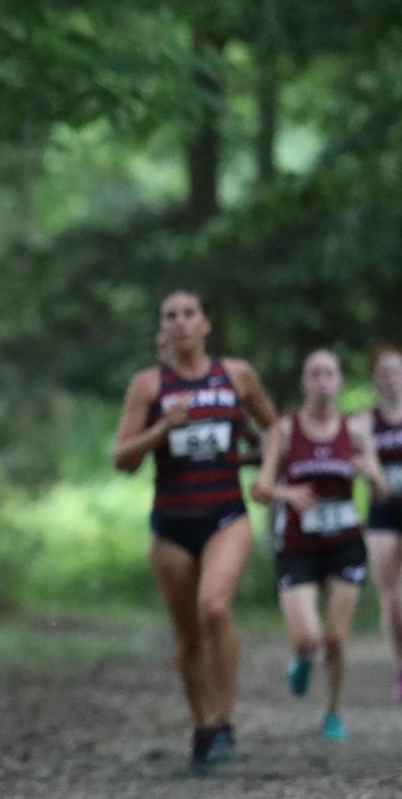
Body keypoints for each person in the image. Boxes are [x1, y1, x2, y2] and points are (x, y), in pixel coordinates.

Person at [113, 290, 279, 774]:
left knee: (215, 607)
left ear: (205, 323)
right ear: (162, 329)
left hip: (226, 513)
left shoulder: (237, 375)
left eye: (189, 314)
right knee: (188, 636)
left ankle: (224, 721)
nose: (181, 323)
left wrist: (267, 472)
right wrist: (163, 428)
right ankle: (203, 725)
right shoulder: (148, 386)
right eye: (171, 317)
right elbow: (122, 459)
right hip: (171, 523)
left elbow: (274, 426)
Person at [252, 350, 388, 739]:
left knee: (336, 639)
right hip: (297, 546)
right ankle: (301, 657)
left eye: (329, 373)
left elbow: (381, 492)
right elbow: (260, 489)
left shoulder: (357, 433)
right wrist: (288, 493)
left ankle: (333, 711)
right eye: (315, 374)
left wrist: (370, 476)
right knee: (308, 637)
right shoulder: (287, 431)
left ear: (340, 381)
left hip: (344, 544)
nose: (323, 381)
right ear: (304, 382)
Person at [352, 344, 402, 701]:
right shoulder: (366, 421)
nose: (391, 378)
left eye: (396, 371)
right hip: (383, 512)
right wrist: (371, 472)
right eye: (383, 373)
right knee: (392, 602)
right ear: (375, 380)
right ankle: (401, 667)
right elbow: (354, 451)